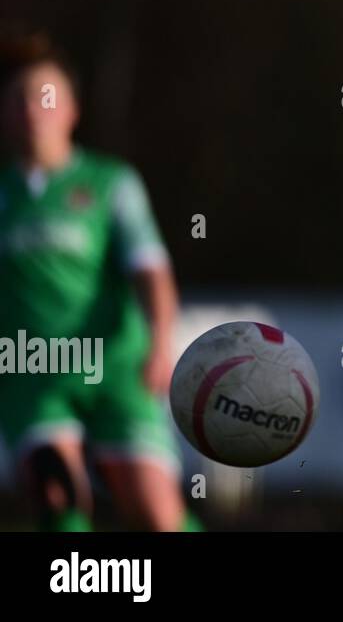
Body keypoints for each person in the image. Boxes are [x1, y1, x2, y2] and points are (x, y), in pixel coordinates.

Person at [0, 31, 198, 530]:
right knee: (56, 497)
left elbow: (150, 269)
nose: (32, 110)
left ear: (72, 110)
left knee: (156, 512)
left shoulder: (111, 184)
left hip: (117, 365)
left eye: (46, 98)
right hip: (32, 370)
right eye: (19, 99)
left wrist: (159, 339)